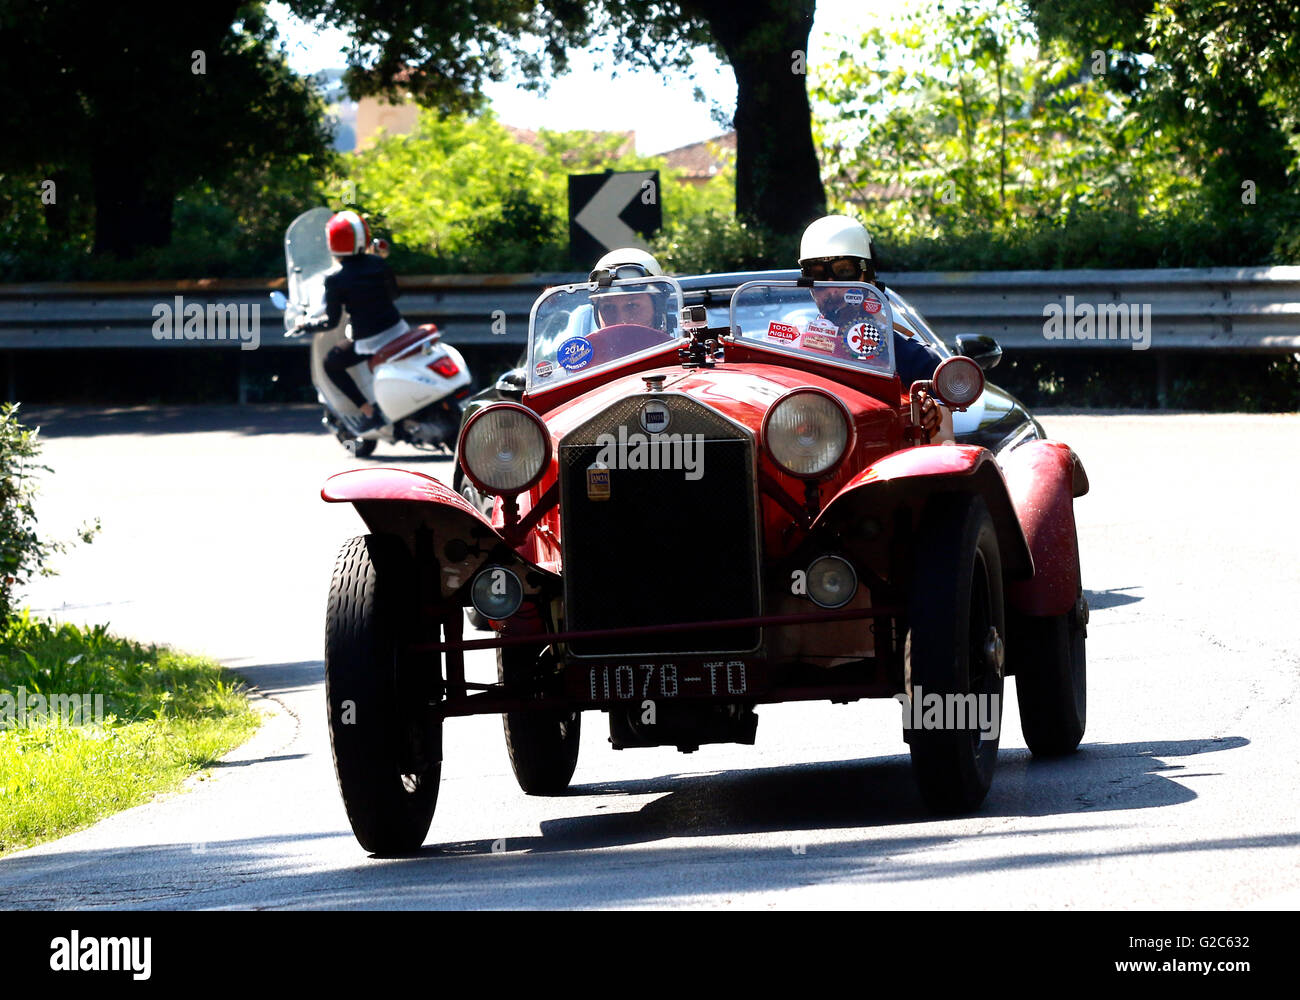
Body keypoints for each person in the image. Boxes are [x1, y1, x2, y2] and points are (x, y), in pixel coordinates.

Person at [798, 215, 948, 441]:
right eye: (818, 277)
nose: (832, 291)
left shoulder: (915, 358)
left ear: (868, 278)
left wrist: (930, 415)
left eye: (844, 273)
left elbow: (945, 443)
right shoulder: (793, 351)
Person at [295, 210, 406, 434]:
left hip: (369, 340)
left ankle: (369, 411)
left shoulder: (336, 278)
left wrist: (305, 324)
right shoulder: (378, 263)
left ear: (332, 242)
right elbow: (394, 294)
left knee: (331, 363)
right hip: (396, 329)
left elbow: (331, 322)